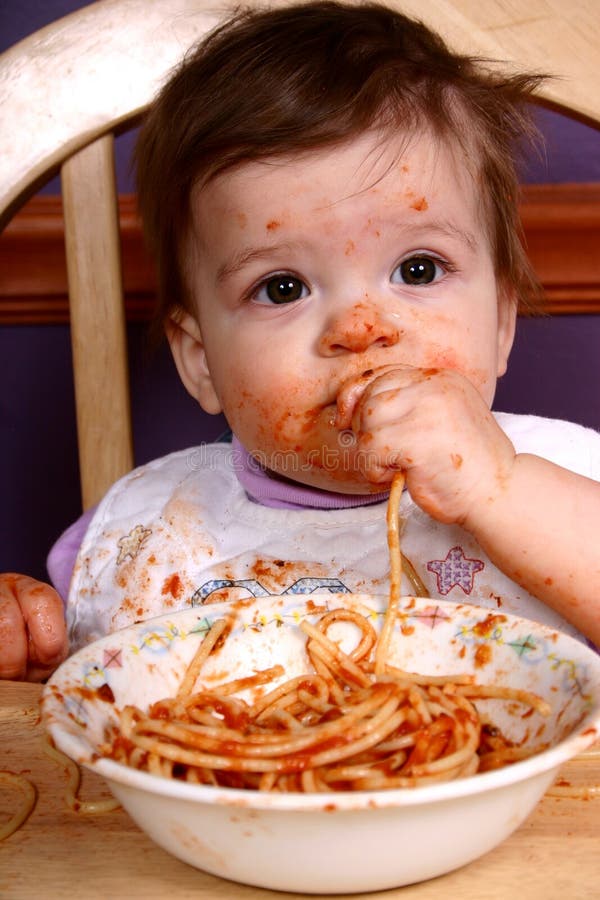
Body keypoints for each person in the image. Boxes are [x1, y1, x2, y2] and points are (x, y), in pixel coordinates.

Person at [1, 0, 599, 681]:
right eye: (282, 287)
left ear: (499, 325)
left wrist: (499, 490)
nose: (360, 328)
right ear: (200, 361)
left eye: (418, 269)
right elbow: (77, 698)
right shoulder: (148, 532)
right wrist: (27, 646)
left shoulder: (567, 488)